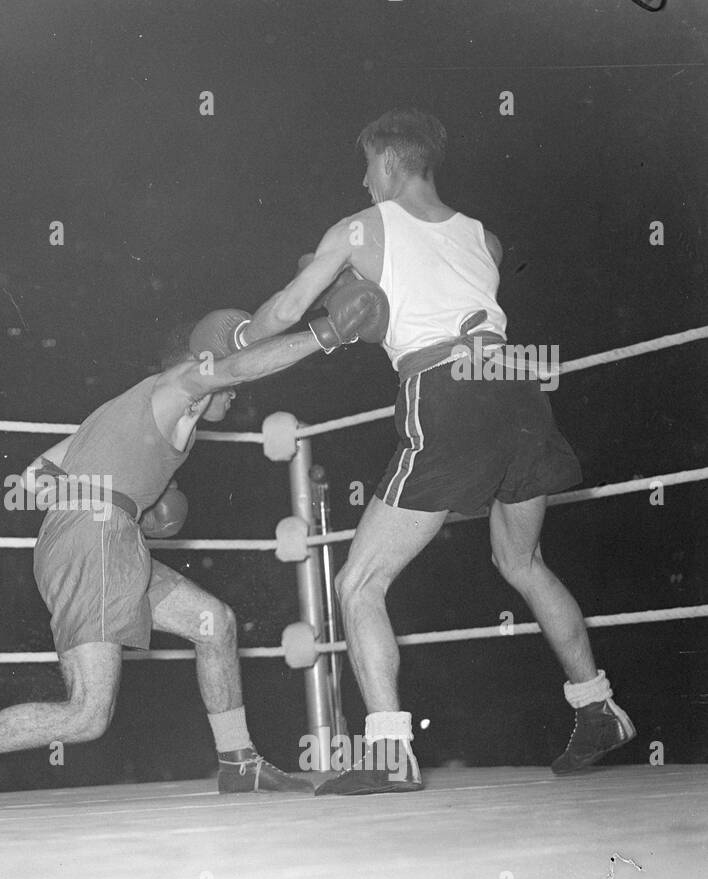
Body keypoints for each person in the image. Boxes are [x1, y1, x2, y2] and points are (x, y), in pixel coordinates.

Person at [236, 108, 634, 794]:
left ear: (389, 163)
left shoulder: (362, 227)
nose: (363, 183)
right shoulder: (487, 238)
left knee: (359, 582)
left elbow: (284, 309)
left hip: (447, 389)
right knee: (523, 560)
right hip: (515, 384)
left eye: (367, 168)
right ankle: (597, 706)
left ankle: (390, 752)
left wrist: (241, 337)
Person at [0, 286, 388, 813]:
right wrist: (326, 334)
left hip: (106, 536)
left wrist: (122, 504)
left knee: (214, 622)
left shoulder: (126, 407)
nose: (237, 395)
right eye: (229, 378)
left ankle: (239, 763)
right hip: (95, 540)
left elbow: (36, 476)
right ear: (207, 362)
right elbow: (240, 370)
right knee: (87, 714)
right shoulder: (179, 385)